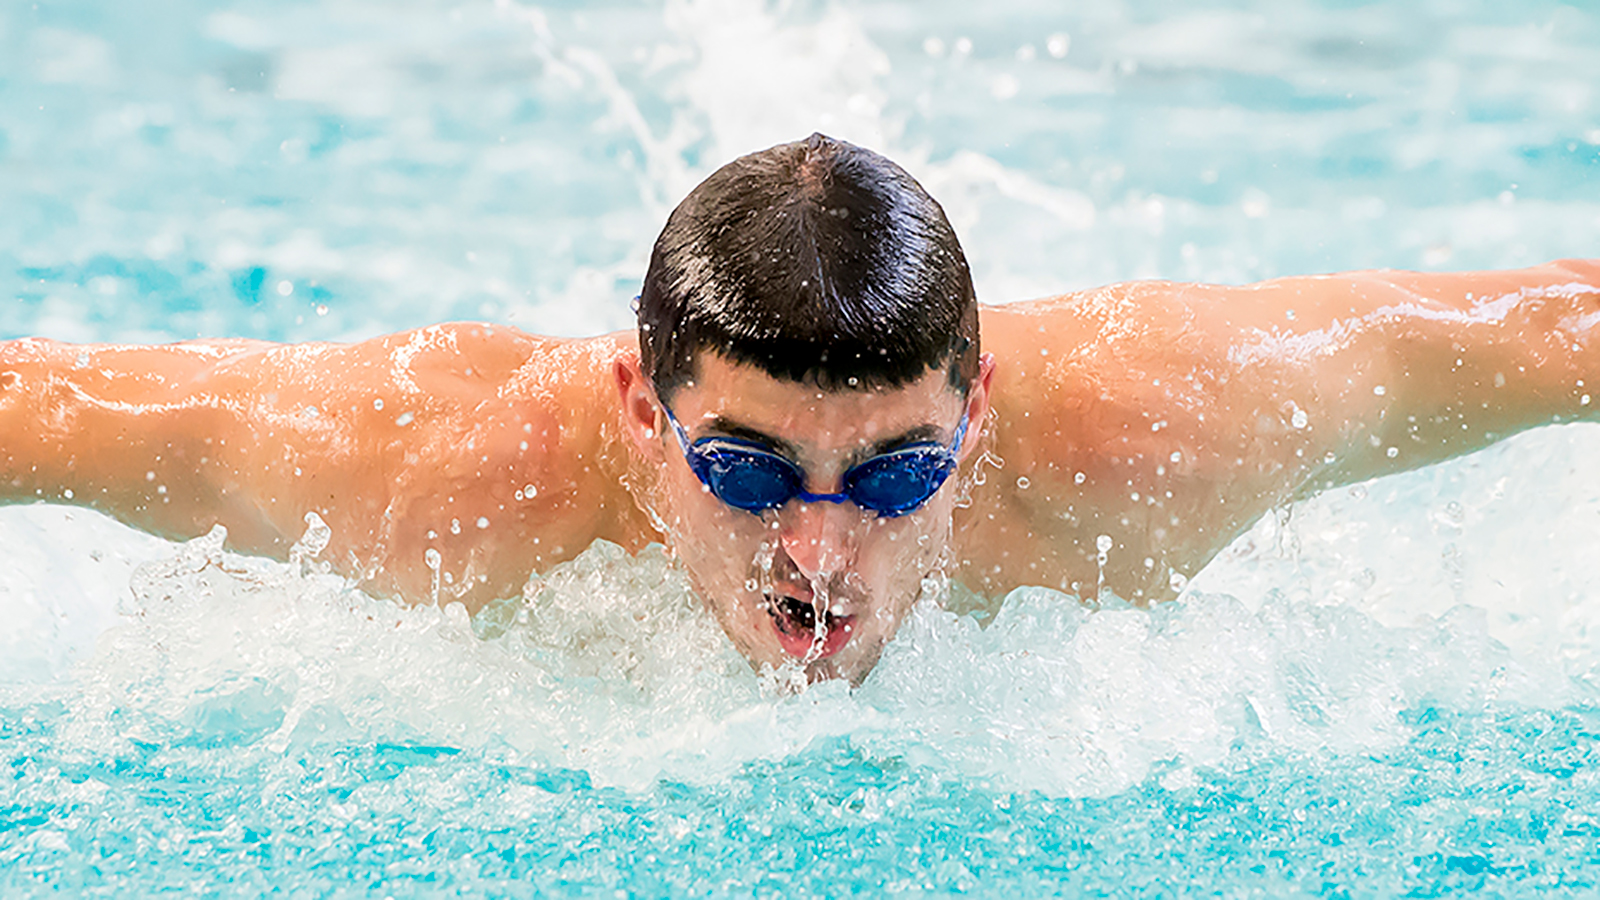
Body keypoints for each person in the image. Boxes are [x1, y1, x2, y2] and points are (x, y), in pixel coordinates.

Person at [3, 134, 1597, 685]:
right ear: (640, 409)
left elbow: (1548, 328)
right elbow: (45, 408)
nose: (818, 547)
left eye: (899, 474)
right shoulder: (429, 472)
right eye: (749, 470)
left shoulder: (1158, 430)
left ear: (978, 410)